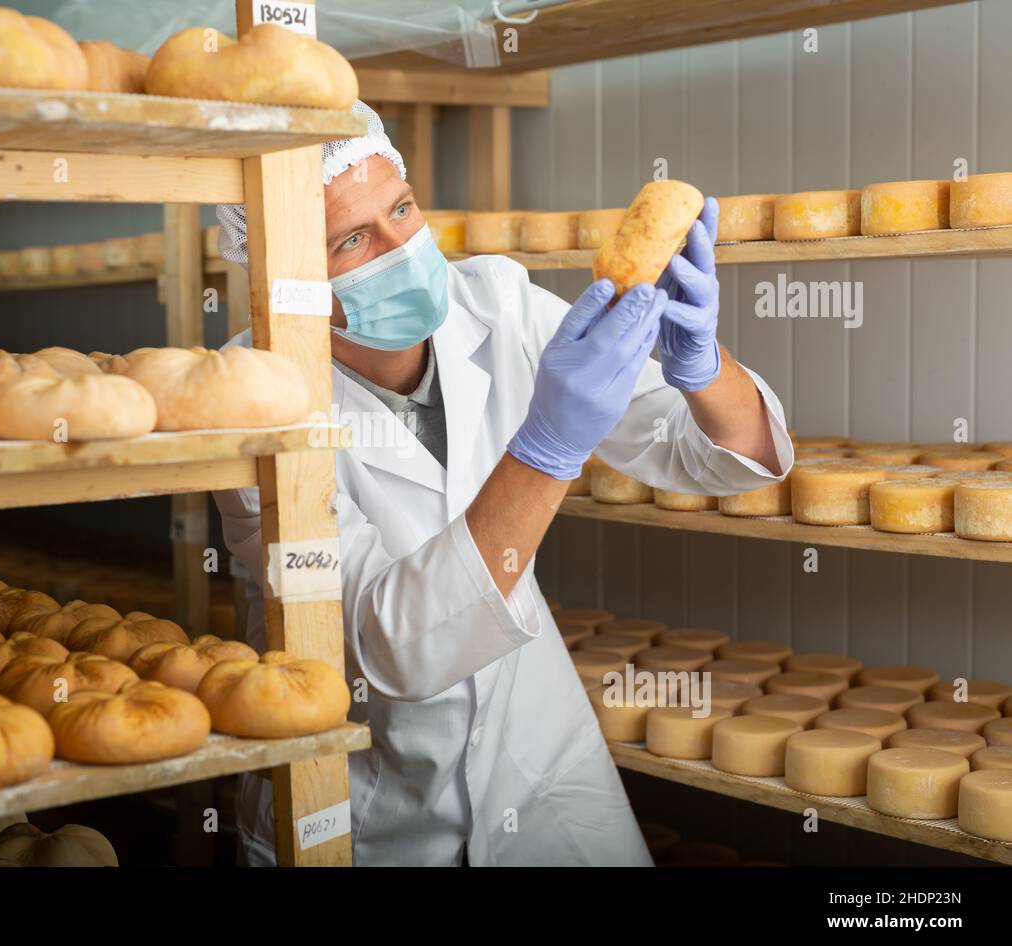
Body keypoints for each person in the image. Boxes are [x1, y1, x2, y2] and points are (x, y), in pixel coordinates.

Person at [212, 102, 793, 866]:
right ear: (287, 275)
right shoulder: (249, 398)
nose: (402, 248)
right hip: (375, 809)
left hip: (540, 770)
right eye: (353, 240)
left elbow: (727, 460)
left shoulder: (496, 301)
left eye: (402, 209)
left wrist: (703, 367)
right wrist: (547, 450)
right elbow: (393, 644)